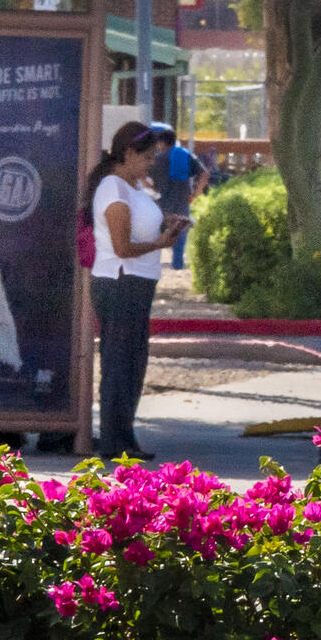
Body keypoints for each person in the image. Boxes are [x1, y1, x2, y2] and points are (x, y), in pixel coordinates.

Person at [83, 121, 183, 459]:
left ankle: (123, 439)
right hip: (120, 281)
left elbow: (137, 232)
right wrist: (159, 242)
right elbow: (122, 247)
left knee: (131, 363)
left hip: (136, 284)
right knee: (119, 363)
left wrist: (165, 226)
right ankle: (115, 442)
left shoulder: (132, 188)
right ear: (128, 152)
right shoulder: (114, 188)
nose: (152, 162)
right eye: (148, 156)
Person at [147, 124, 208, 269]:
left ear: (161, 142)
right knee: (181, 230)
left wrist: (150, 188)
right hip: (182, 200)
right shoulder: (186, 155)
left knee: (157, 231)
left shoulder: (157, 159)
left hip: (162, 202)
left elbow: (144, 175)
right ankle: (177, 263)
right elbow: (204, 174)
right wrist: (195, 194)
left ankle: (153, 262)